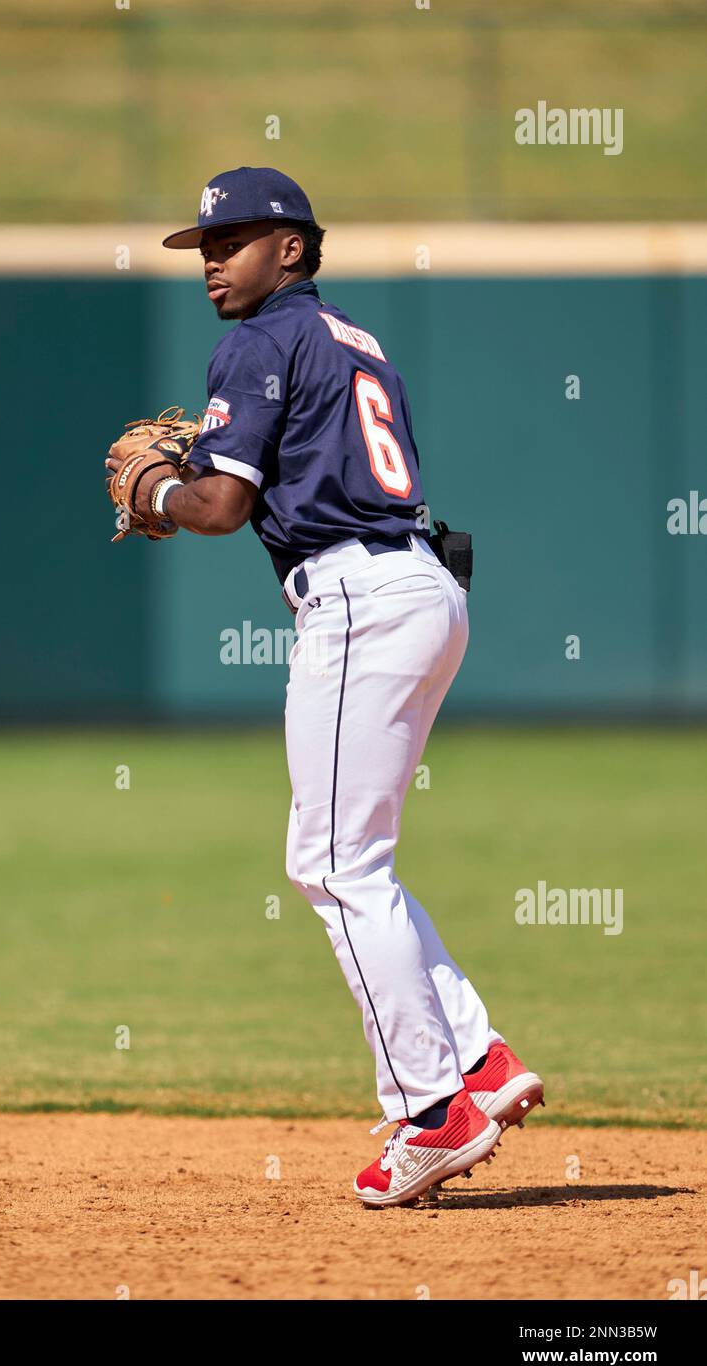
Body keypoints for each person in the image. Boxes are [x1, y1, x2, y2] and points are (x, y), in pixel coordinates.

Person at [126, 166, 544, 1206]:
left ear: (294, 250)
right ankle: (475, 1061)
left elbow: (220, 506)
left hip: (359, 597)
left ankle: (429, 1112)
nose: (214, 258)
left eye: (237, 239)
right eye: (204, 244)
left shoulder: (259, 340)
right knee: (355, 861)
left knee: (332, 863)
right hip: (419, 588)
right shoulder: (356, 340)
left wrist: (156, 489)